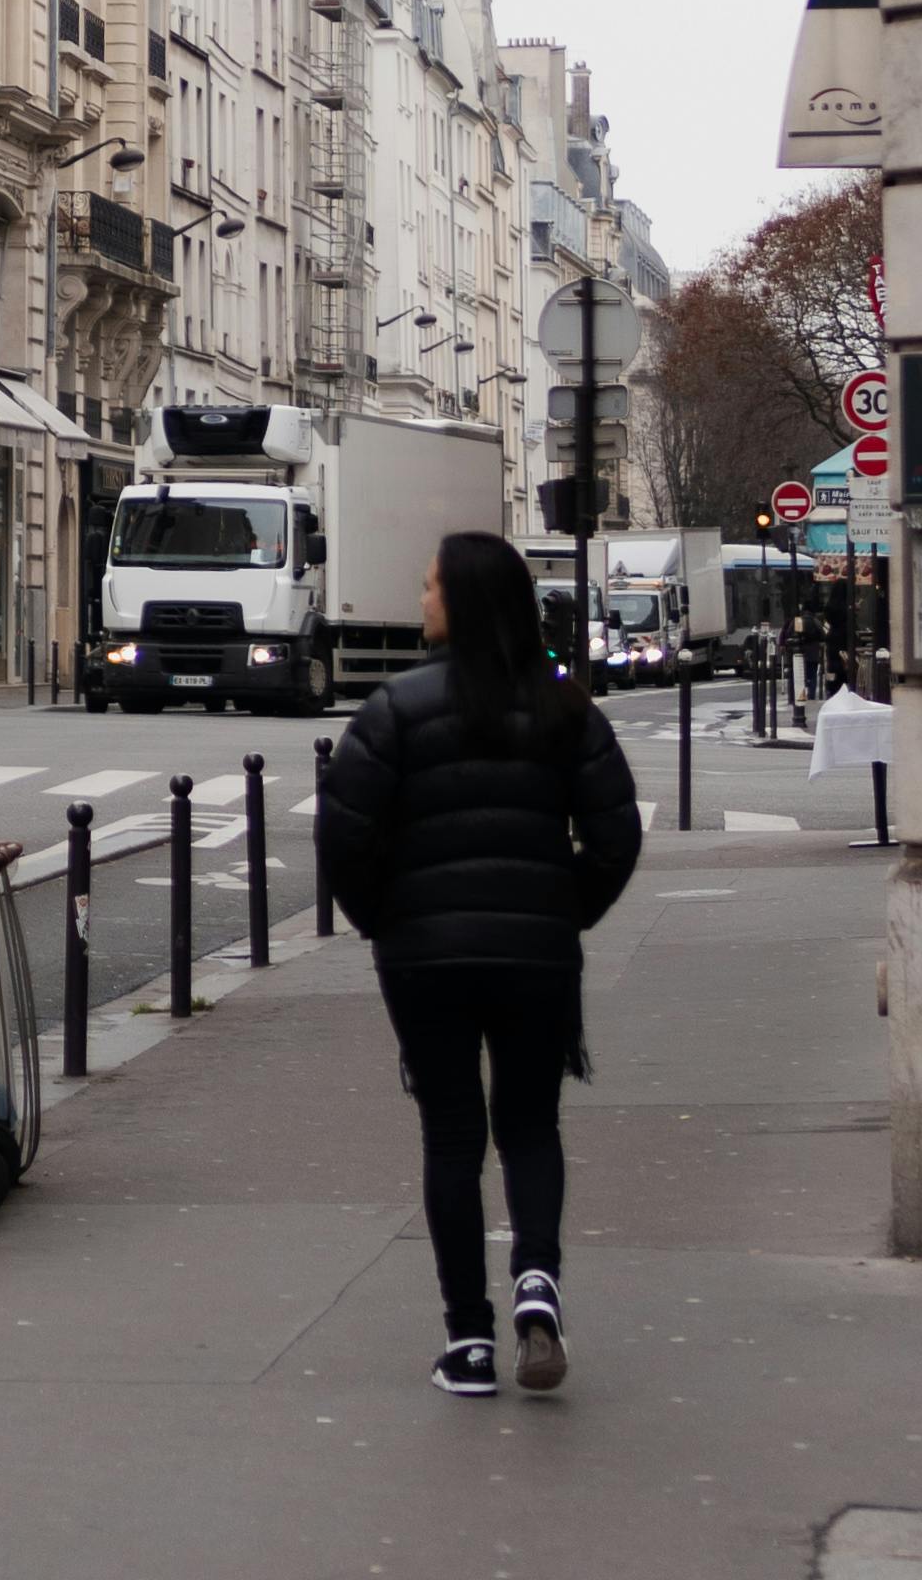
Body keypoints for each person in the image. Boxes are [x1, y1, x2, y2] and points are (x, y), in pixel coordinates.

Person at [319, 530, 641, 1403]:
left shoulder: (391, 708)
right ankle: (536, 1278)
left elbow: (342, 835)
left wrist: (382, 918)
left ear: (458, 602)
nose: (419, 599)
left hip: (422, 959)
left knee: (452, 1136)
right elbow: (615, 834)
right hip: (536, 955)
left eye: (429, 587)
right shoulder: (566, 707)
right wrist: (563, 909)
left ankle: (467, 1339)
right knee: (530, 1126)